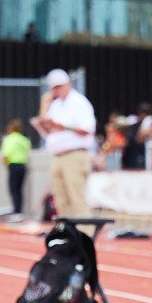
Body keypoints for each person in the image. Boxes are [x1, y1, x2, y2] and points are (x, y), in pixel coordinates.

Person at [31, 69, 96, 221]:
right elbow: (47, 127)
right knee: (61, 199)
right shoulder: (56, 105)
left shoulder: (79, 102)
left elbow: (87, 129)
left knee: (76, 197)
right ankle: (68, 234)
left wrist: (64, 127)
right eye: (54, 87)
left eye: (59, 86)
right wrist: (44, 105)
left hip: (74, 155)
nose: (57, 90)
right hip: (58, 155)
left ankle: (84, 235)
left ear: (68, 84)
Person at [0, 119, 32, 223]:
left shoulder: (9, 138)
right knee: (20, 190)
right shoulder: (24, 139)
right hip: (23, 165)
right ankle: (19, 212)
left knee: (13, 189)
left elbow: (6, 153)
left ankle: (16, 212)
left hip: (13, 165)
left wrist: (4, 162)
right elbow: (28, 148)